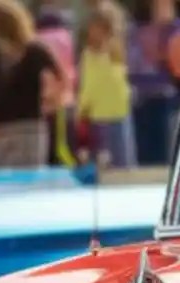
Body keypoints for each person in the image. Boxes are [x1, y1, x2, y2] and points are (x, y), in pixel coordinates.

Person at [0, 0, 64, 167]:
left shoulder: (35, 50)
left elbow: (61, 77)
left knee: (26, 186)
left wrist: (52, 102)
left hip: (29, 128)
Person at [127, 0, 180, 165]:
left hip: (165, 91)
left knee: (162, 141)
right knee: (143, 143)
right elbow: (132, 60)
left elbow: (176, 55)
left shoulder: (176, 28)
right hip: (141, 92)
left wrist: (165, 30)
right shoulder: (136, 29)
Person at [77, 1, 134, 169]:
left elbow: (118, 83)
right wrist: (82, 109)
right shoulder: (89, 55)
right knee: (102, 162)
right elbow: (88, 85)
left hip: (118, 113)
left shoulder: (116, 53)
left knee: (122, 162)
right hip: (99, 116)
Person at [34, 7, 75, 165]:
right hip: (64, 97)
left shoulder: (38, 40)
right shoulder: (66, 39)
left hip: (44, 98)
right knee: (64, 144)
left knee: (48, 145)